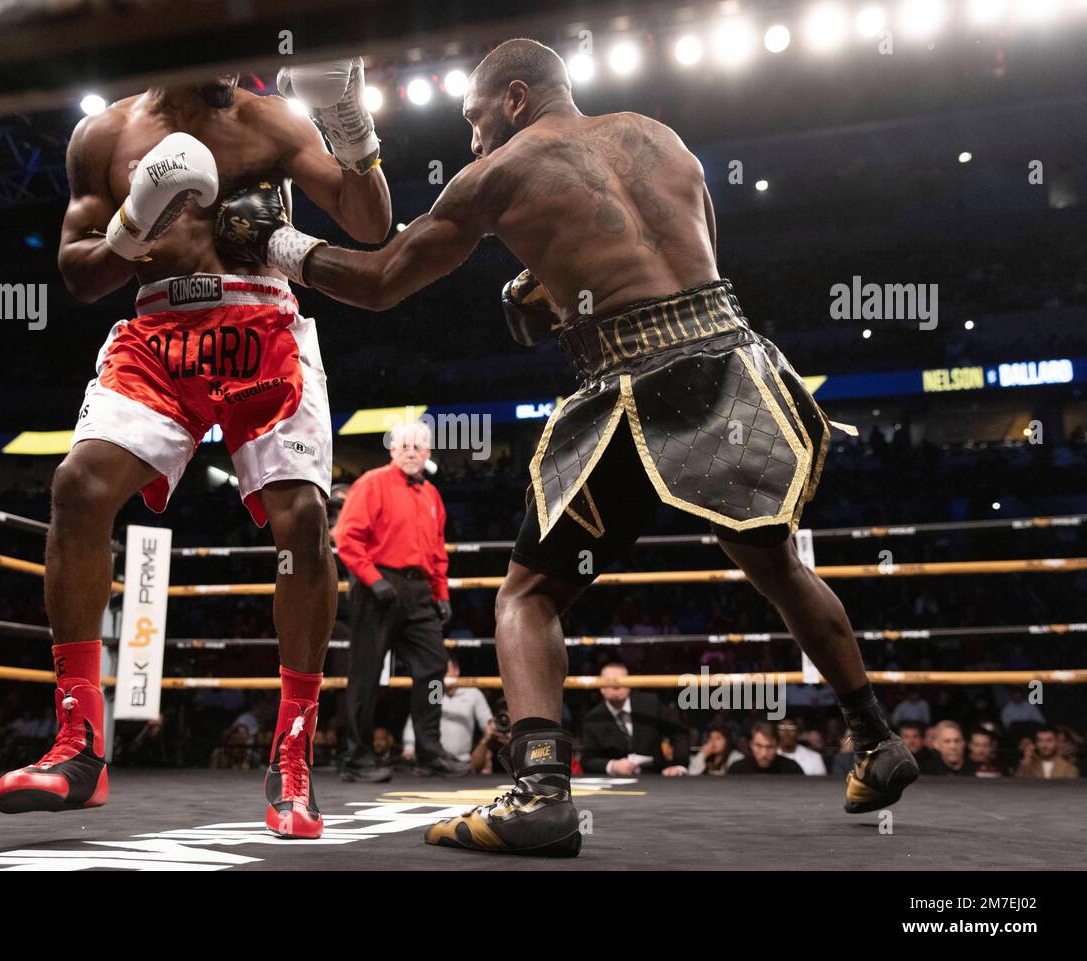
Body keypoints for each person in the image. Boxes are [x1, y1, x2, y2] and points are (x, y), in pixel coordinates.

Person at [215, 38, 917, 856]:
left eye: (476, 119)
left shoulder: (497, 174)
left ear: (515, 99)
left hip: (636, 387)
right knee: (775, 563)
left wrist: (275, 247)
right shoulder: (662, 137)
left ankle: (541, 793)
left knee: (528, 595)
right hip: (733, 366)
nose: (471, 140)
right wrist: (553, 286)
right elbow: (692, 268)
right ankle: (876, 737)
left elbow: (381, 278)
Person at [0, 61, 392, 842]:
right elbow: (77, 274)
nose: (231, 68)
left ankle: (294, 755)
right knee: (78, 487)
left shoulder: (271, 120)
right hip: (157, 333)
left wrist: (355, 130)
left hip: (263, 322)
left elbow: (371, 225)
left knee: (304, 523)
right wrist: (134, 224)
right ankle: (79, 747)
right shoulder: (104, 134)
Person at [333, 421, 467, 781]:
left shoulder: (432, 495)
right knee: (365, 672)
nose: (411, 452)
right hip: (378, 584)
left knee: (434, 664)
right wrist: (373, 579)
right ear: (392, 450)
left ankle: (429, 752)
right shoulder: (372, 483)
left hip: (417, 589)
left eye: (418, 446)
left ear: (427, 453)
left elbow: (437, 551)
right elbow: (346, 538)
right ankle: (357, 759)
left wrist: (441, 593)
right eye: (404, 446)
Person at [579, 663, 687, 776]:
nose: (616, 686)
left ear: (629, 684)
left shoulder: (650, 704)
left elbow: (679, 732)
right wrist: (612, 766)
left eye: (621, 681)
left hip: (656, 776)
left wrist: (679, 765)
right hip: (616, 782)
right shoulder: (593, 718)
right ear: (601, 687)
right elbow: (588, 760)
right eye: (610, 682)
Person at [402, 655, 493, 767]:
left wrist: (490, 729)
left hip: (464, 762)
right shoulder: (435, 692)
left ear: (456, 670)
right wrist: (409, 746)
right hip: (436, 761)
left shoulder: (472, 692)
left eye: (445, 670)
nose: (441, 674)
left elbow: (487, 722)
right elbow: (417, 719)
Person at [727, 722, 805, 775]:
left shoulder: (792, 769)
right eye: (759, 746)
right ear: (751, 745)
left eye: (770, 747)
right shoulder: (737, 769)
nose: (764, 753)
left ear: (777, 746)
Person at [1014, 726, 1079, 779]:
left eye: (1049, 740)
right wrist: (1027, 760)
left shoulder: (1069, 768)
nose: (1044, 745)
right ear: (1036, 743)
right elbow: (1017, 787)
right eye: (1040, 741)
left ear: (1056, 742)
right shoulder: (1028, 764)